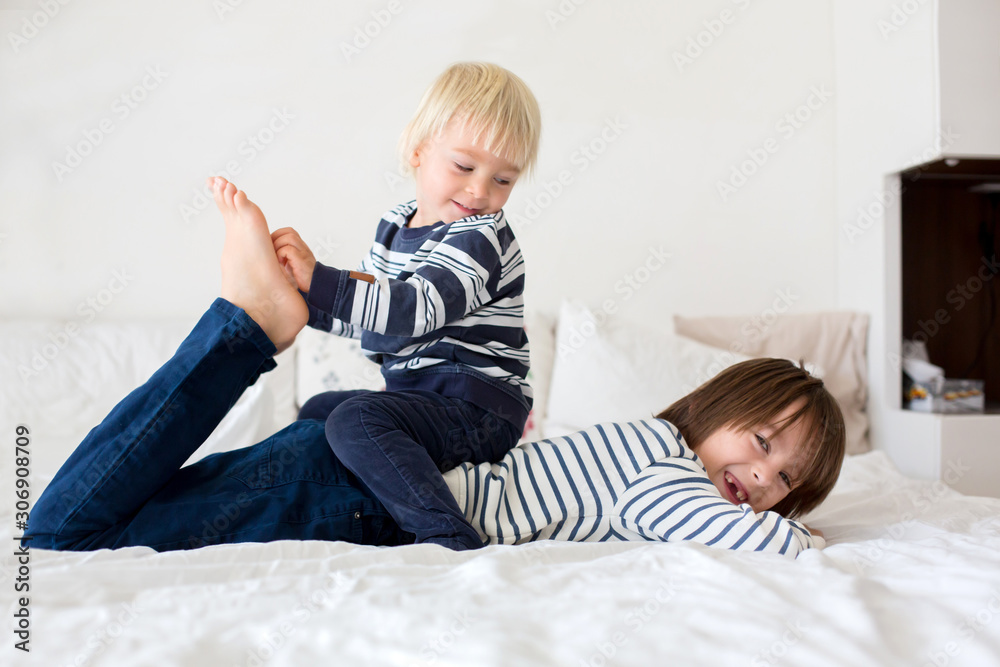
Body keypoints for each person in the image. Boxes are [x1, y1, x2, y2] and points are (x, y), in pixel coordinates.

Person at [24, 180, 844, 557]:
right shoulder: (666, 476)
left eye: (788, 479)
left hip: (340, 473)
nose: (763, 476)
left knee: (92, 523)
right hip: (364, 498)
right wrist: (803, 535)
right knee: (65, 531)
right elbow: (761, 544)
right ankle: (247, 328)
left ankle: (246, 329)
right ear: (718, 406)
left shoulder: (645, 447)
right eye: (764, 439)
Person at [271, 62, 541, 550]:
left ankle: (447, 534)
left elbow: (413, 309)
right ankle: (340, 509)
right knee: (318, 412)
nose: (480, 191)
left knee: (355, 420)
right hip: (424, 398)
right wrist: (300, 298)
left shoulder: (483, 236)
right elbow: (372, 318)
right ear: (419, 151)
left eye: (503, 180)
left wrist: (320, 279)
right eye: (464, 166)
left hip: (477, 404)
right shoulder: (394, 227)